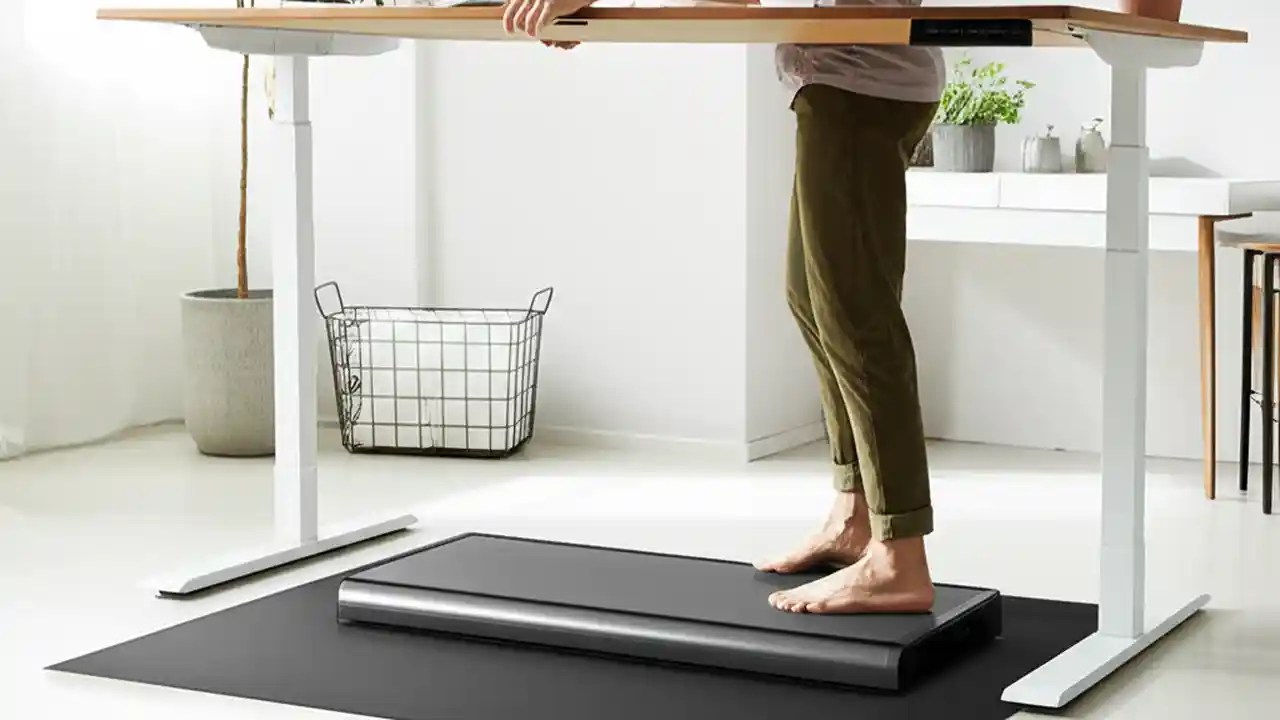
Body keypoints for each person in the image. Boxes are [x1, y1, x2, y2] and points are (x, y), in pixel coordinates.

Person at [500, 0, 1177, 615]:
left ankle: (899, 556)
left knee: (857, 317)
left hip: (860, 85)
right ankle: (855, 514)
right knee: (811, 298)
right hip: (843, 82)